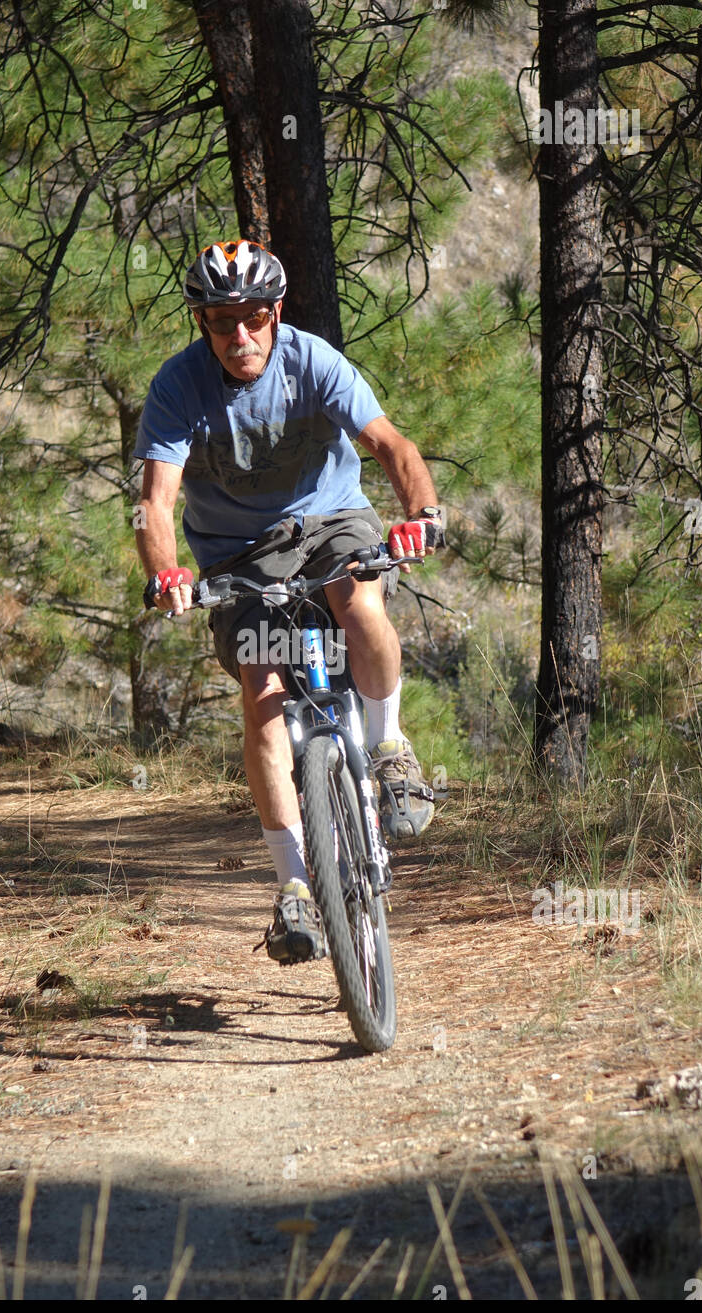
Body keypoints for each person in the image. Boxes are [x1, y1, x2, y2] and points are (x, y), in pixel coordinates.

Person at [133, 239, 444, 964]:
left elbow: (389, 444)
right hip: (239, 556)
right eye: (219, 320)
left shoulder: (313, 360)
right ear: (202, 321)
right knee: (263, 692)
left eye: (251, 317)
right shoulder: (178, 386)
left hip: (332, 521)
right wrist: (167, 573)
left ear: (275, 312)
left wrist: (420, 513)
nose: (237, 336)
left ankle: (390, 747)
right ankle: (295, 889)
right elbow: (156, 501)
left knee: (358, 604)